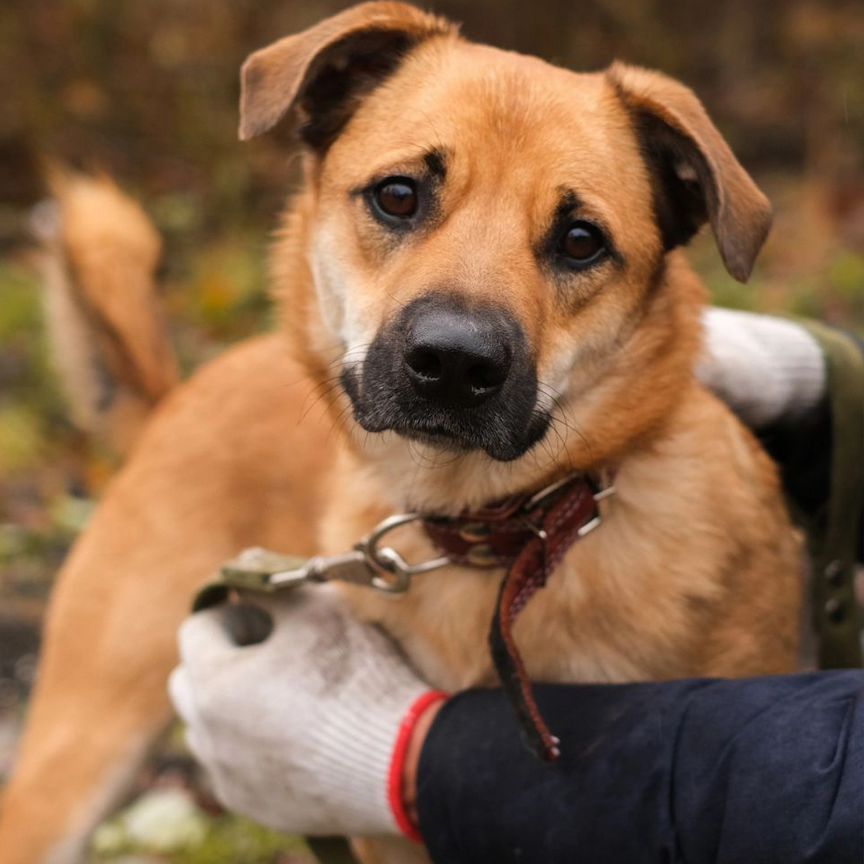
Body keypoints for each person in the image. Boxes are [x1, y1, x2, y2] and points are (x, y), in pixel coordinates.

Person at [170, 309, 864, 863]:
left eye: (578, 242)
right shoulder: (333, 483)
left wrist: (413, 761)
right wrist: (836, 392)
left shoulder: (712, 570)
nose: (458, 331)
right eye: (400, 198)